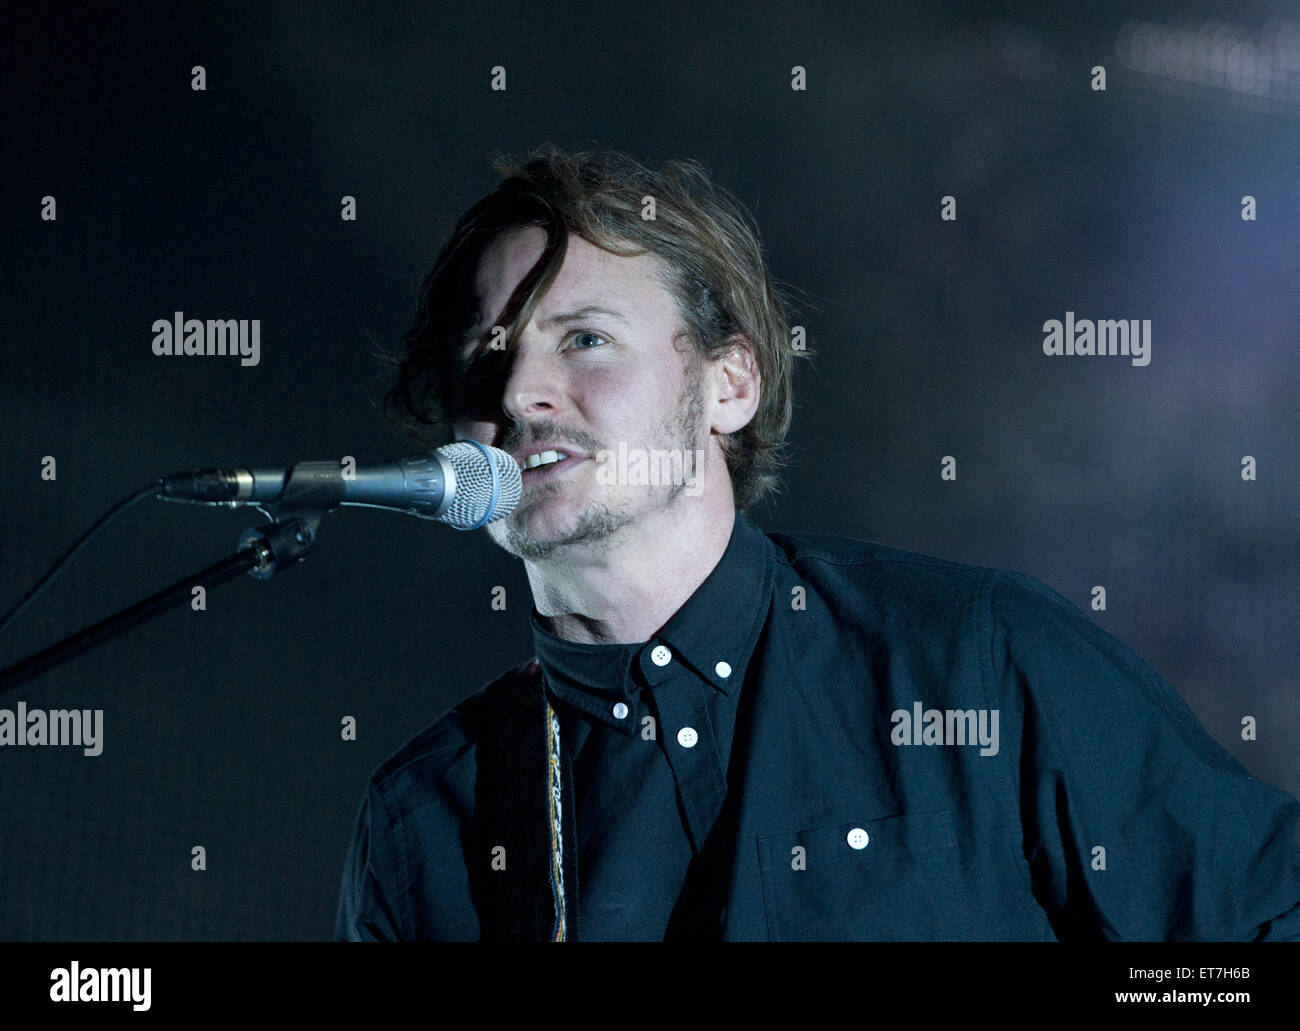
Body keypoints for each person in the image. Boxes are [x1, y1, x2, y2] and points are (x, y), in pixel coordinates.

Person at [335, 144, 1300, 941]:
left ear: (729, 385)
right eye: (488, 351)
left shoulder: (970, 659)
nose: (518, 393)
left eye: (583, 339)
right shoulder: (425, 821)